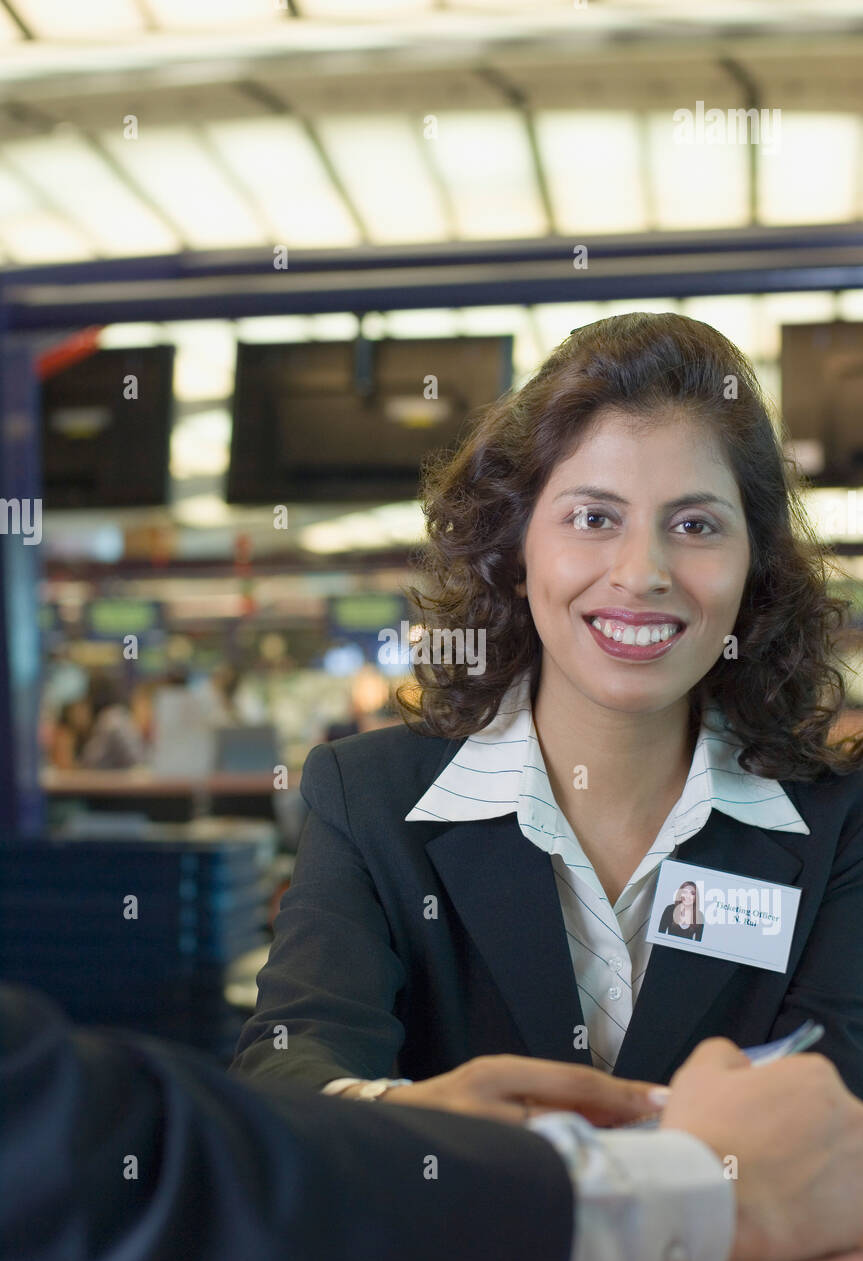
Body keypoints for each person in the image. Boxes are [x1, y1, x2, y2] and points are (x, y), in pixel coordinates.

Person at [231, 312, 863, 1116]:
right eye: (592, 518)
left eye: (695, 525)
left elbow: (840, 1103)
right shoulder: (369, 799)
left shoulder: (837, 821)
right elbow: (290, 1063)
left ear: (754, 565)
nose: (641, 574)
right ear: (515, 549)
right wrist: (426, 1125)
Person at [4, 982, 863, 1261]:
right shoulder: (373, 782)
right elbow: (108, 1175)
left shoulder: (834, 804)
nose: (640, 574)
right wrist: (687, 1185)